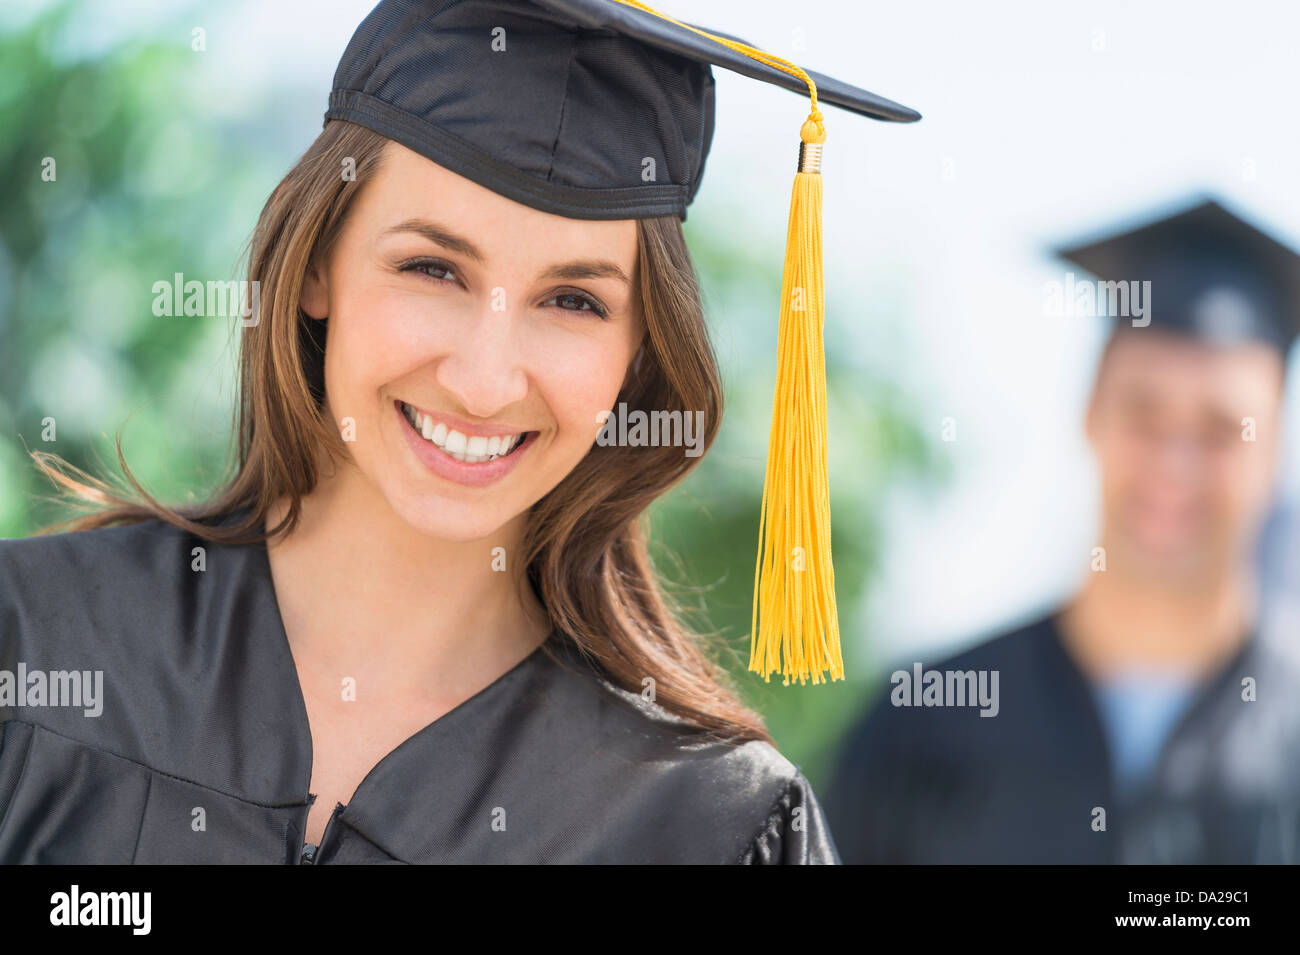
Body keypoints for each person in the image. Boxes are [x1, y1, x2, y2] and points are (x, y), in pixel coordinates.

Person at [0, 0, 920, 863]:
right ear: (317, 265)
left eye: (573, 299)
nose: (485, 380)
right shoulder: (36, 650)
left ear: (639, 353)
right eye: (432, 268)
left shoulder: (705, 828)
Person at [825, 197, 1300, 864]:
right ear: (1090, 411)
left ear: (1273, 448)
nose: (1175, 462)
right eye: (1145, 412)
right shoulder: (922, 729)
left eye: (1220, 429)